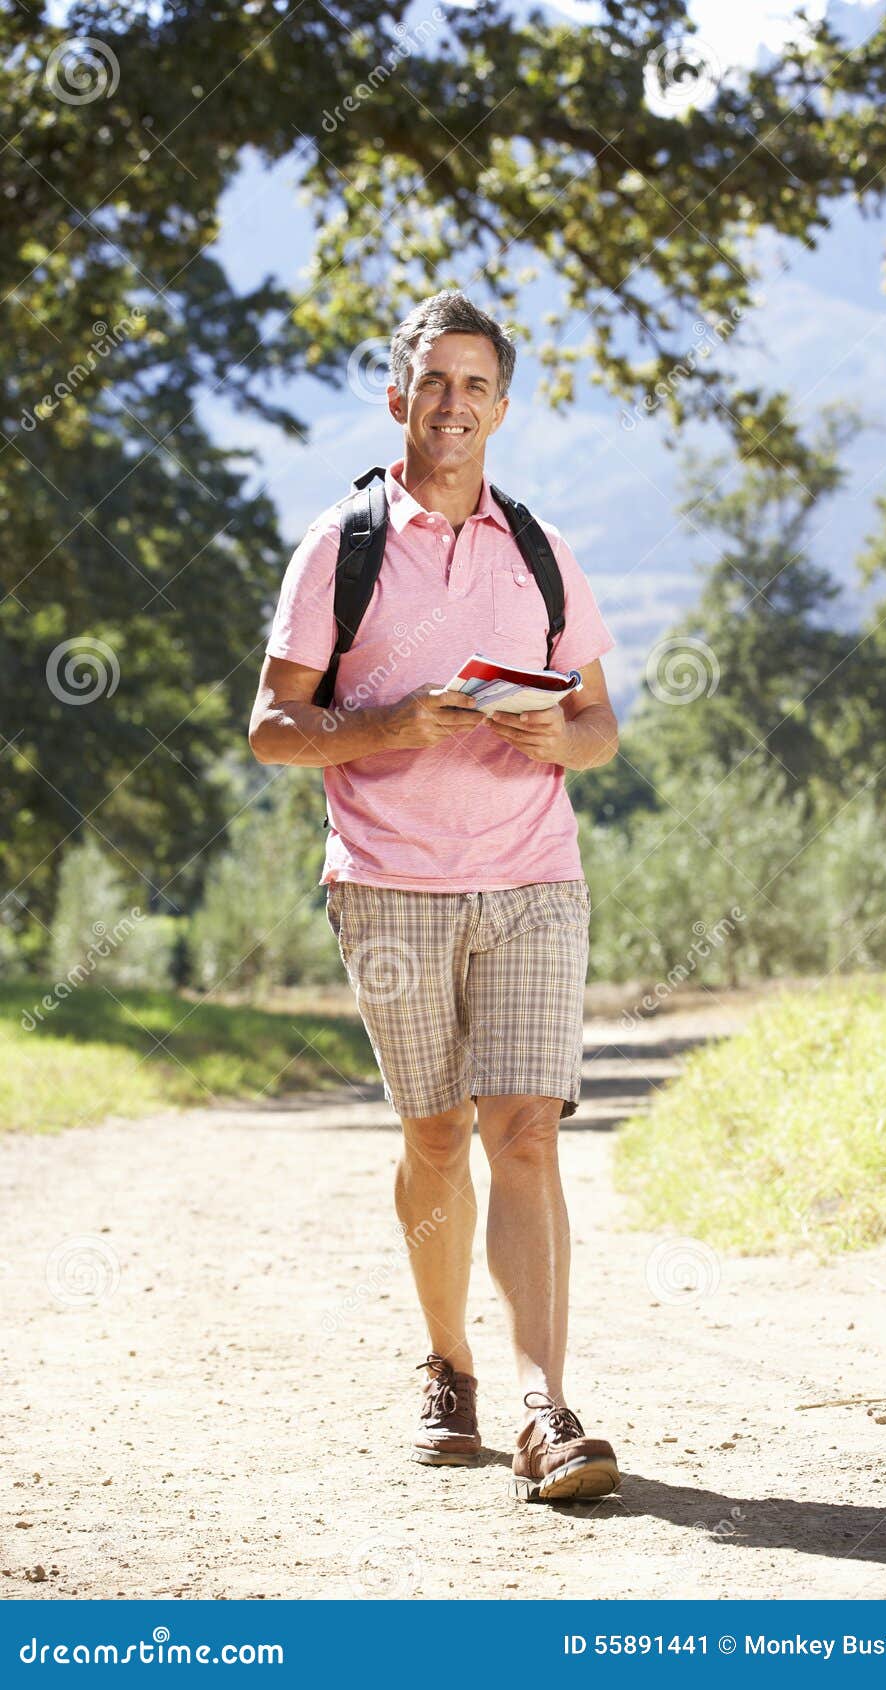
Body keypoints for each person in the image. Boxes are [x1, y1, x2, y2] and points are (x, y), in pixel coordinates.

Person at [248, 290, 621, 1503]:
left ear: (500, 407)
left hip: (532, 877)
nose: (452, 403)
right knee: (435, 1136)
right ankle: (446, 1362)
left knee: (525, 1131)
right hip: (390, 888)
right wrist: (389, 724)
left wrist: (559, 738)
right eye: (433, 382)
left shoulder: (539, 549)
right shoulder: (340, 547)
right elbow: (271, 726)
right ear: (396, 396)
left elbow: (599, 722)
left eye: (474, 385)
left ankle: (544, 1409)